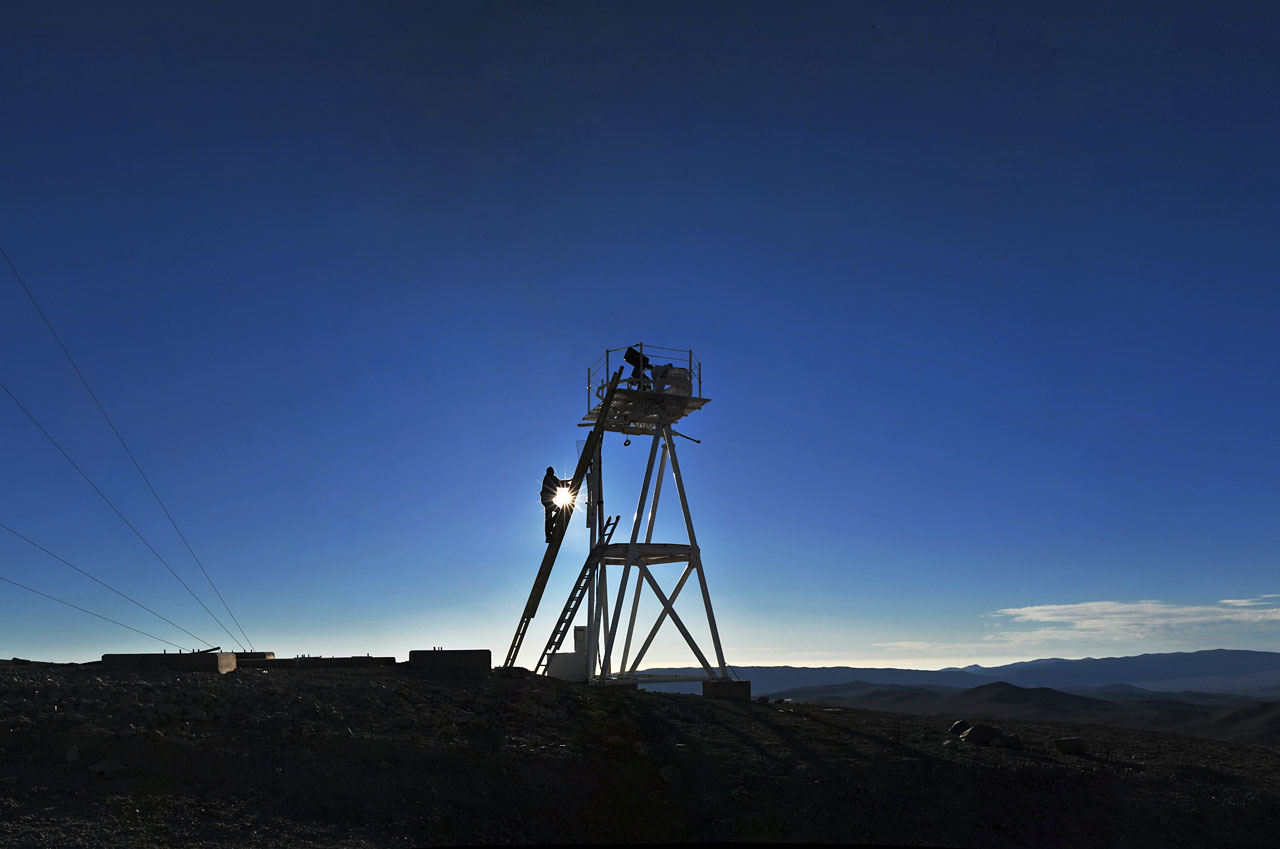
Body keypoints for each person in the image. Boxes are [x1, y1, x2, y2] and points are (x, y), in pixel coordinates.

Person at [540, 466, 560, 542]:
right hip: (547, 500)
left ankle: (548, 535)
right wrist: (570, 483)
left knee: (548, 516)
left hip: (547, 500)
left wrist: (569, 481)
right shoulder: (549, 478)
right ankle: (549, 530)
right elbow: (560, 483)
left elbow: (559, 483)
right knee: (558, 511)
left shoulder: (549, 478)